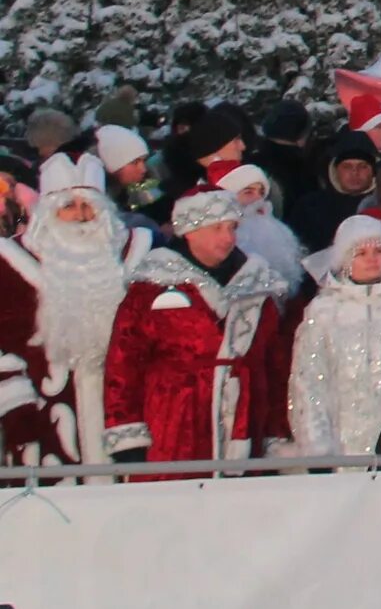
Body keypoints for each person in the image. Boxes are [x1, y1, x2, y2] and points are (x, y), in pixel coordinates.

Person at [104, 186, 293, 466]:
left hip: (245, 436)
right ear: (190, 231)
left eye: (232, 228)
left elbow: (275, 367)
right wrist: (127, 437)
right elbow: (123, 366)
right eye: (217, 228)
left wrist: (276, 434)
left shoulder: (257, 288)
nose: (228, 238)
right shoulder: (151, 289)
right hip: (171, 434)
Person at [0, 155, 151, 464]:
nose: (82, 217)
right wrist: (19, 418)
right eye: (69, 207)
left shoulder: (138, 253)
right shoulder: (12, 263)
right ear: (49, 212)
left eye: (89, 206)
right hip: (47, 427)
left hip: (130, 425)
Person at [286, 214, 381, 459]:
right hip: (343, 443)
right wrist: (316, 443)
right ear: (345, 259)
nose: (372, 260)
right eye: (361, 253)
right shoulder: (323, 311)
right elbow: (308, 381)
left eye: (379, 250)